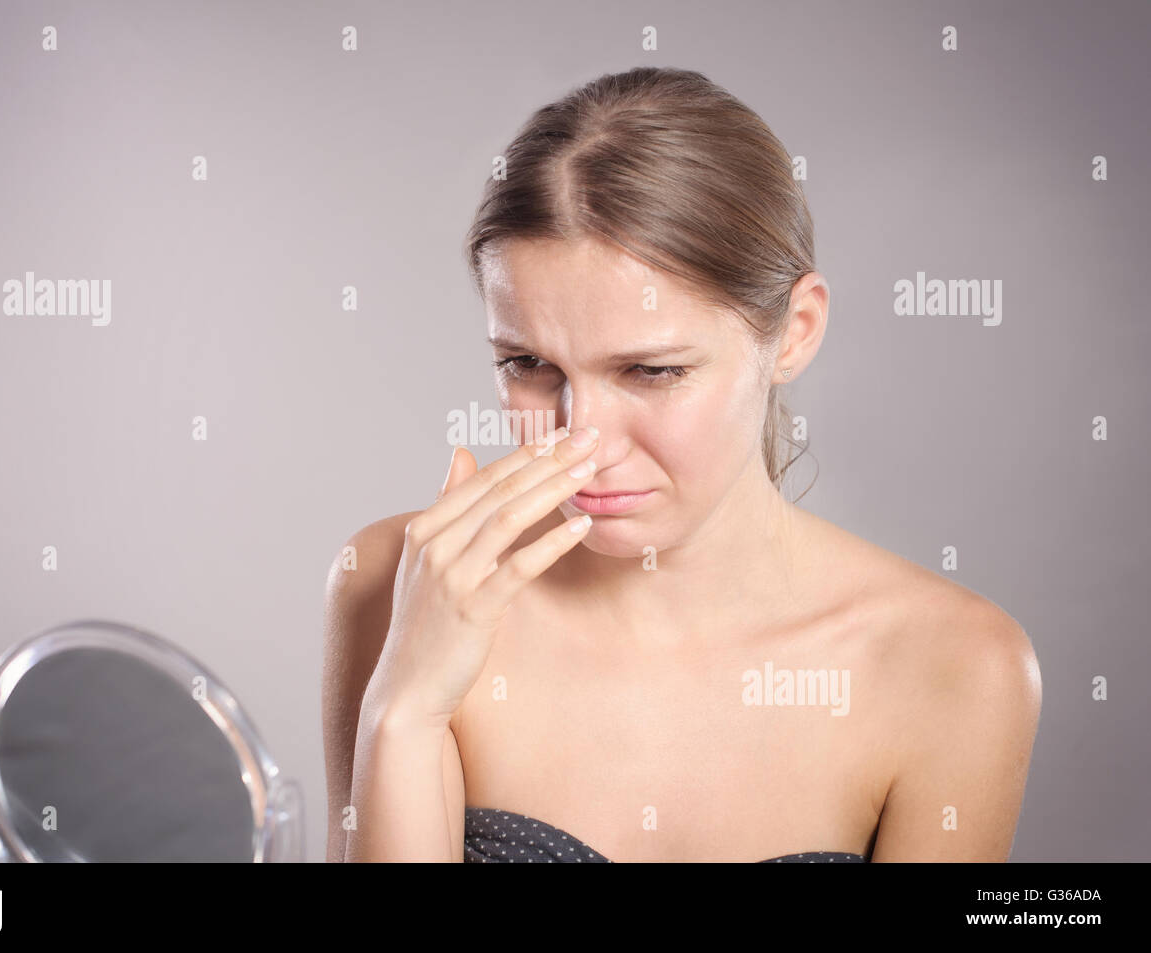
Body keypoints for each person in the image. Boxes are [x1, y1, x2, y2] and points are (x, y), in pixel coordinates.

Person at [323, 66, 1041, 862]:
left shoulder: (956, 665)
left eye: (651, 371)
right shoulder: (397, 585)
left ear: (795, 332)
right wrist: (408, 706)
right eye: (528, 363)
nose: (581, 439)